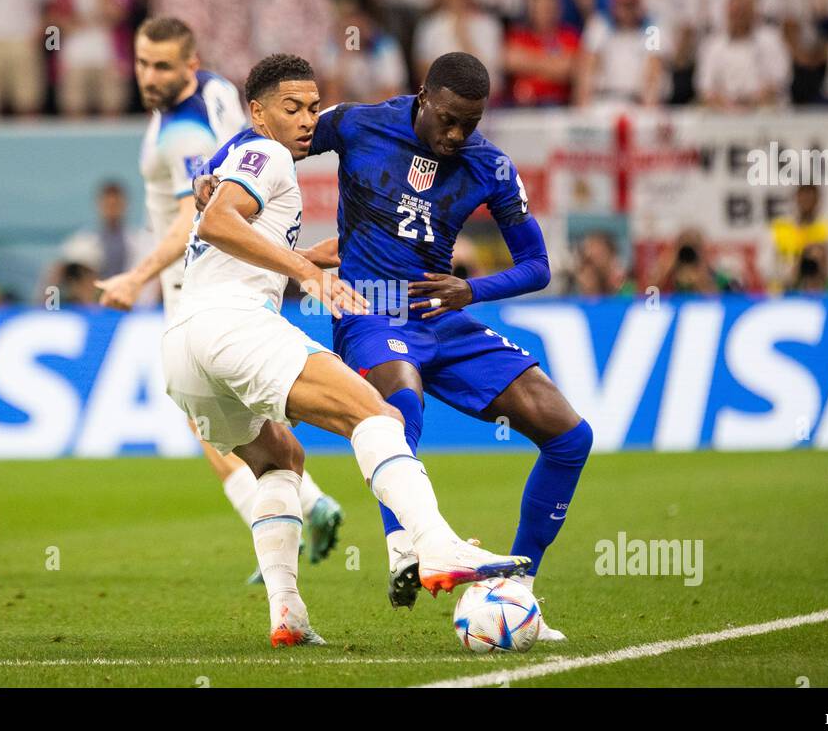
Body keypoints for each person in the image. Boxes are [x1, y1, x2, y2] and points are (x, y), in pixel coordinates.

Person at [198, 53, 590, 642]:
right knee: (398, 398)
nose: (458, 135)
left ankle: (518, 591)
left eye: (472, 122)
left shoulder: (492, 166)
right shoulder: (358, 122)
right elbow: (271, 130)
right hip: (371, 309)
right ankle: (404, 547)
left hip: (443, 315)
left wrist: (471, 289)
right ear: (422, 97)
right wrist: (213, 170)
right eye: (449, 119)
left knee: (569, 435)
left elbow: (537, 265)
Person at [94, 18, 344, 585]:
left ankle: (288, 513)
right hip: (233, 275)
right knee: (232, 416)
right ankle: (296, 506)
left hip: (197, 283)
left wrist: (136, 277)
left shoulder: (184, 134)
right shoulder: (216, 91)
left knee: (208, 418)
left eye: (161, 66)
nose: (148, 76)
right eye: (140, 62)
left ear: (189, 64)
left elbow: (197, 217)